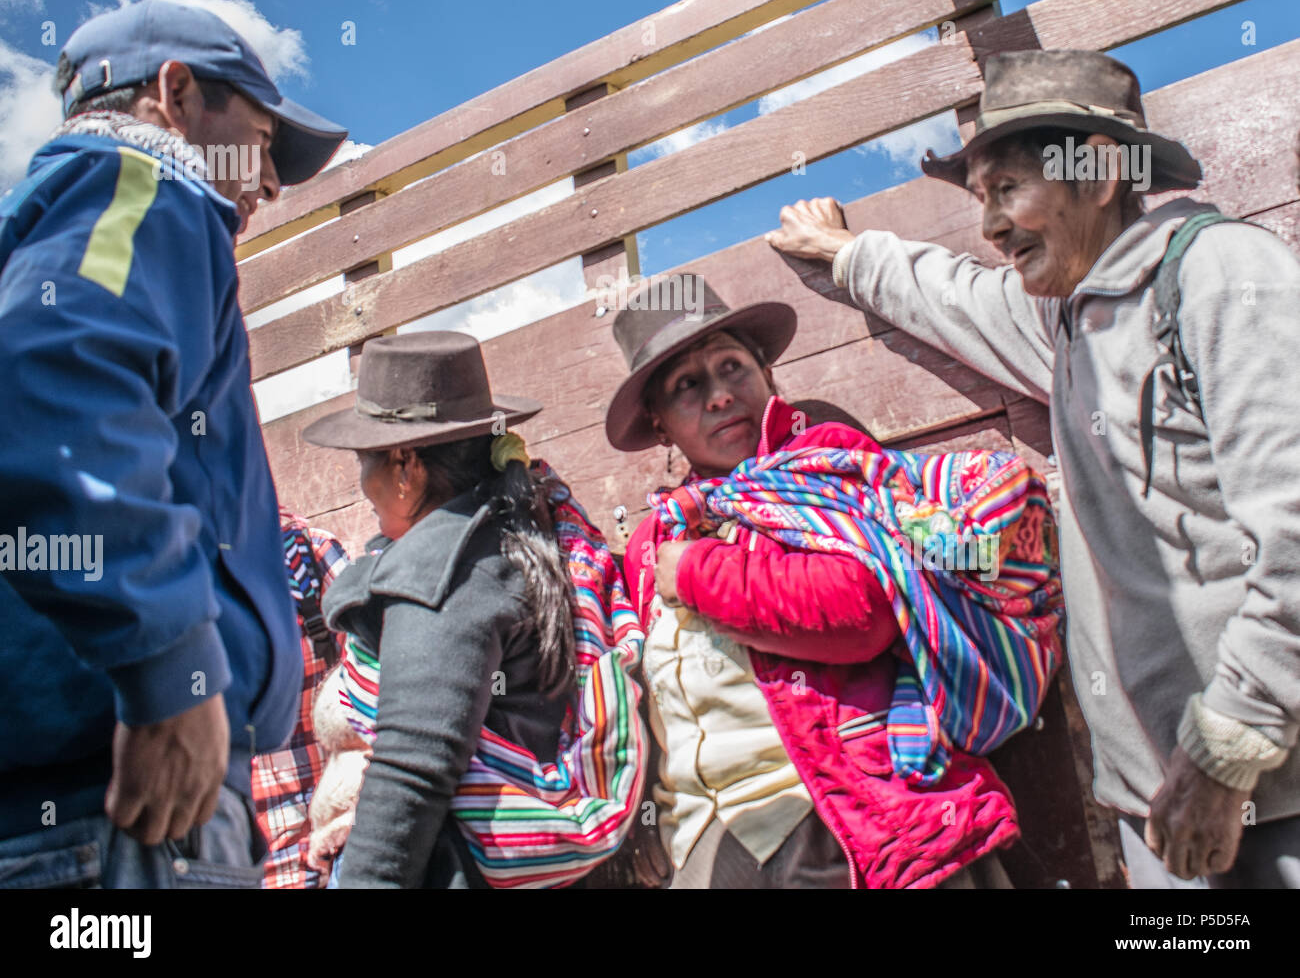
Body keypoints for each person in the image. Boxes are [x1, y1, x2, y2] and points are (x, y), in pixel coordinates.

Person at [769, 48, 1300, 888]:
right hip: (1158, 810)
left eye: (1007, 191)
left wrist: (1226, 747)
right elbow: (952, 294)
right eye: (981, 199)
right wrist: (845, 252)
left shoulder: (1221, 277)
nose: (987, 227)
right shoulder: (1067, 323)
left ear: (1097, 175)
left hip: (1265, 798)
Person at [0, 0, 347, 889]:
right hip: (119, 806)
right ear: (176, 92)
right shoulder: (141, 184)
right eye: (264, 141)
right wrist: (171, 667)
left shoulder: (68, 218)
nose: (269, 183)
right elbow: (53, 373)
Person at [606, 275, 1028, 888]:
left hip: (850, 823)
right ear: (661, 424)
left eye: (733, 367)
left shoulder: (824, 464)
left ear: (768, 377)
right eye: (688, 387)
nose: (721, 395)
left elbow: (864, 609)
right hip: (705, 849)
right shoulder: (653, 541)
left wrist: (698, 572)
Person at [303, 331, 646, 889]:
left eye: (363, 462)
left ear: (404, 465)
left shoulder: (443, 573)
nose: (362, 485)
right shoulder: (520, 535)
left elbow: (413, 769)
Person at [251, 508, 354, 889]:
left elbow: (392, 689)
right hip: (250, 871)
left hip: (338, 856)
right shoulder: (164, 579)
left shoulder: (305, 555)